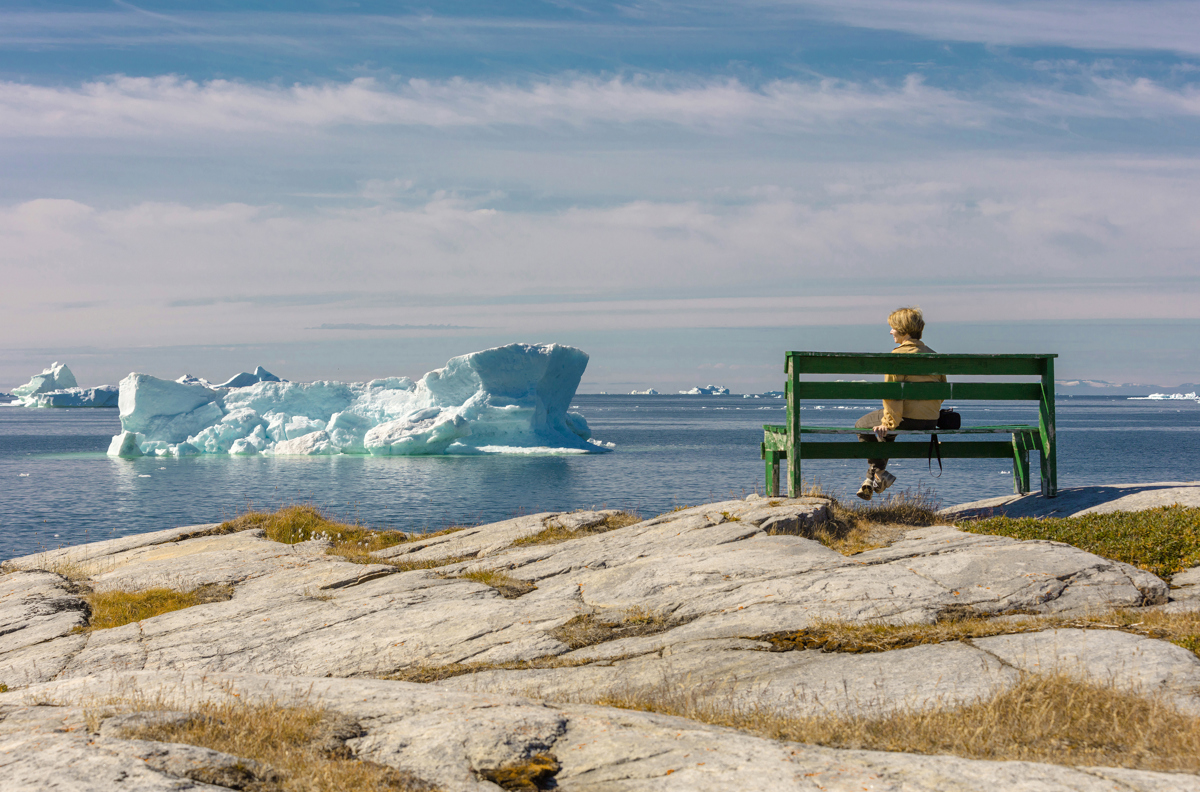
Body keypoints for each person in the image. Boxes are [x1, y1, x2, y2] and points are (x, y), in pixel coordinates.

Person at [854, 307, 945, 500]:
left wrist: (888, 423)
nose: (890, 332)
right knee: (887, 429)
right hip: (931, 420)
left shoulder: (897, 357)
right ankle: (871, 479)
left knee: (862, 425)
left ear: (904, 330)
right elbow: (942, 392)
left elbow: (892, 396)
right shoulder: (934, 355)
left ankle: (879, 473)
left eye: (893, 328)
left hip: (908, 419)